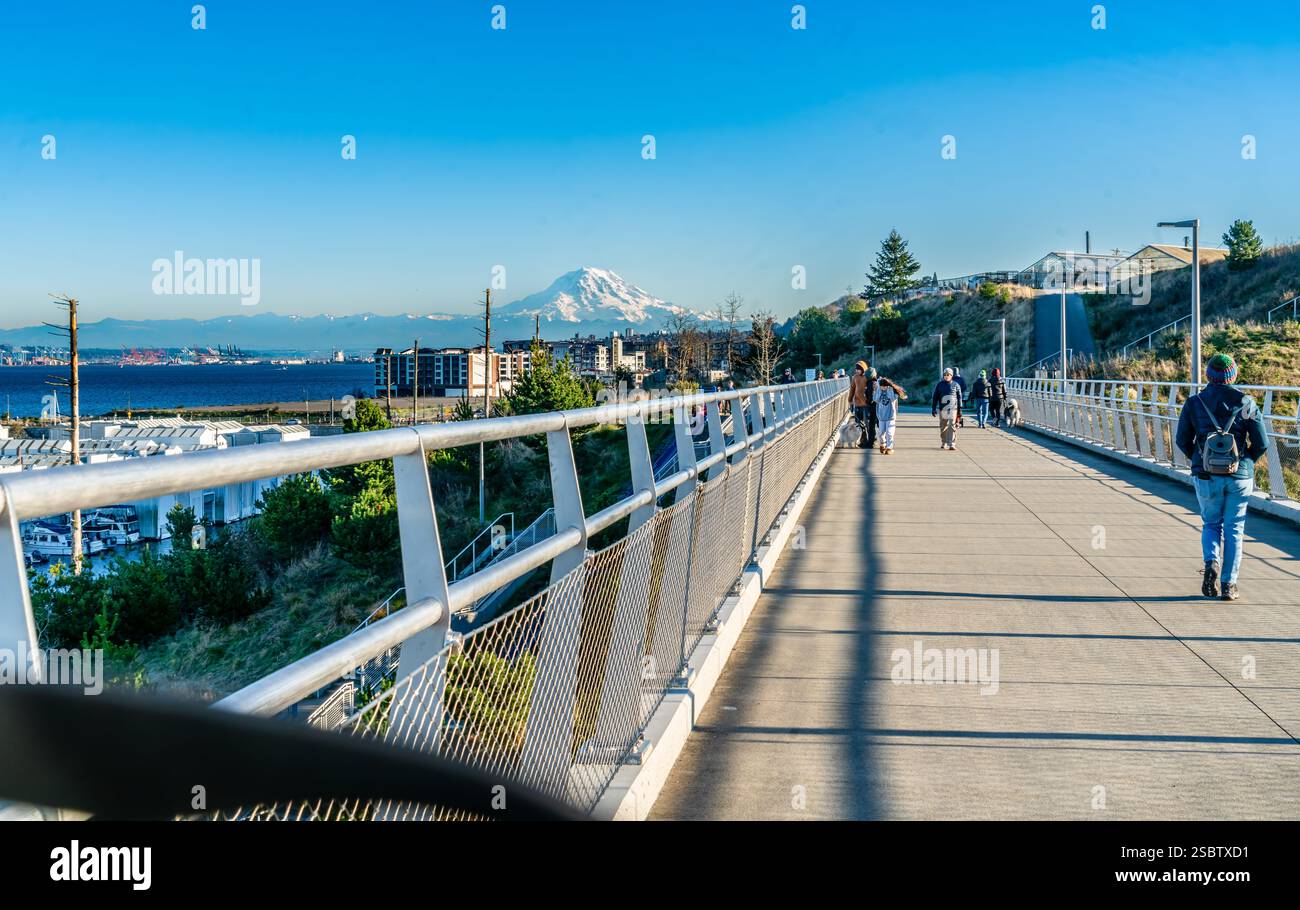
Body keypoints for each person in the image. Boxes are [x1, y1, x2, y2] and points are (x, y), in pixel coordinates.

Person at [1175, 353, 1270, 602]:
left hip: (1206, 475)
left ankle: (1211, 563)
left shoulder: (1194, 402)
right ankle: (1229, 584)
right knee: (1234, 529)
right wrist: (1245, 460)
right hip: (1239, 476)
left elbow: (1182, 439)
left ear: (1208, 375)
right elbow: (1261, 442)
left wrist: (1199, 459)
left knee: (1211, 523)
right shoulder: (1246, 403)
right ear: (1233, 375)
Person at [931, 367, 963, 450]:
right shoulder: (940, 384)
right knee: (943, 426)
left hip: (953, 409)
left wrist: (960, 409)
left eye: (948, 375)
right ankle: (944, 442)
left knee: (952, 425)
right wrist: (933, 408)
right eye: (945, 375)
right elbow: (935, 397)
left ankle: (952, 443)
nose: (946, 376)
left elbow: (959, 397)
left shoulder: (956, 385)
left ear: (951, 375)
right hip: (943, 409)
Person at [873, 377, 907, 454]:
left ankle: (889, 448)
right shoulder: (878, 391)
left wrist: (889, 389)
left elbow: (892, 399)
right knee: (881, 433)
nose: (883, 388)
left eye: (884, 386)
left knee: (889, 432)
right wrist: (878, 388)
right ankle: (883, 444)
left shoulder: (892, 392)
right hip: (881, 416)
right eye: (881, 386)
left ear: (887, 386)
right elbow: (876, 399)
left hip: (890, 416)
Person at [846, 360, 872, 448]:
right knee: (859, 425)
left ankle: (871, 441)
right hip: (857, 404)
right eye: (856, 369)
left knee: (867, 424)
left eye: (859, 369)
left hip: (866, 404)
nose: (857, 371)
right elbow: (852, 389)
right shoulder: (854, 377)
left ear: (863, 369)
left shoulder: (867, 377)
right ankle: (863, 441)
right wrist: (850, 400)